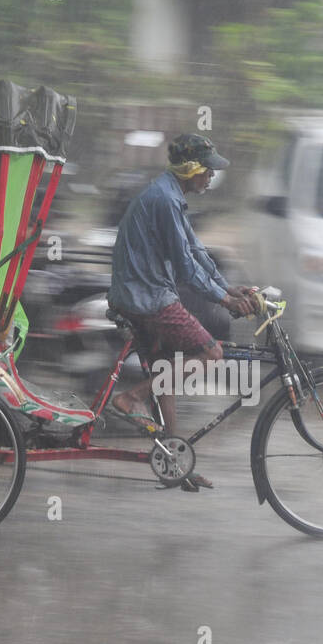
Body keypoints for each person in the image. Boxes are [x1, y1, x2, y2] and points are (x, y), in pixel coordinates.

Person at [107, 133, 253, 490]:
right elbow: (186, 268)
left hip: (145, 293)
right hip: (149, 298)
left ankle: (173, 462)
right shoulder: (165, 200)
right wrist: (224, 301)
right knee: (210, 352)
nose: (211, 177)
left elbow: (196, 251)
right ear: (191, 170)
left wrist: (227, 288)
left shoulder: (170, 194)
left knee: (166, 373)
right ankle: (130, 398)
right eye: (207, 170)